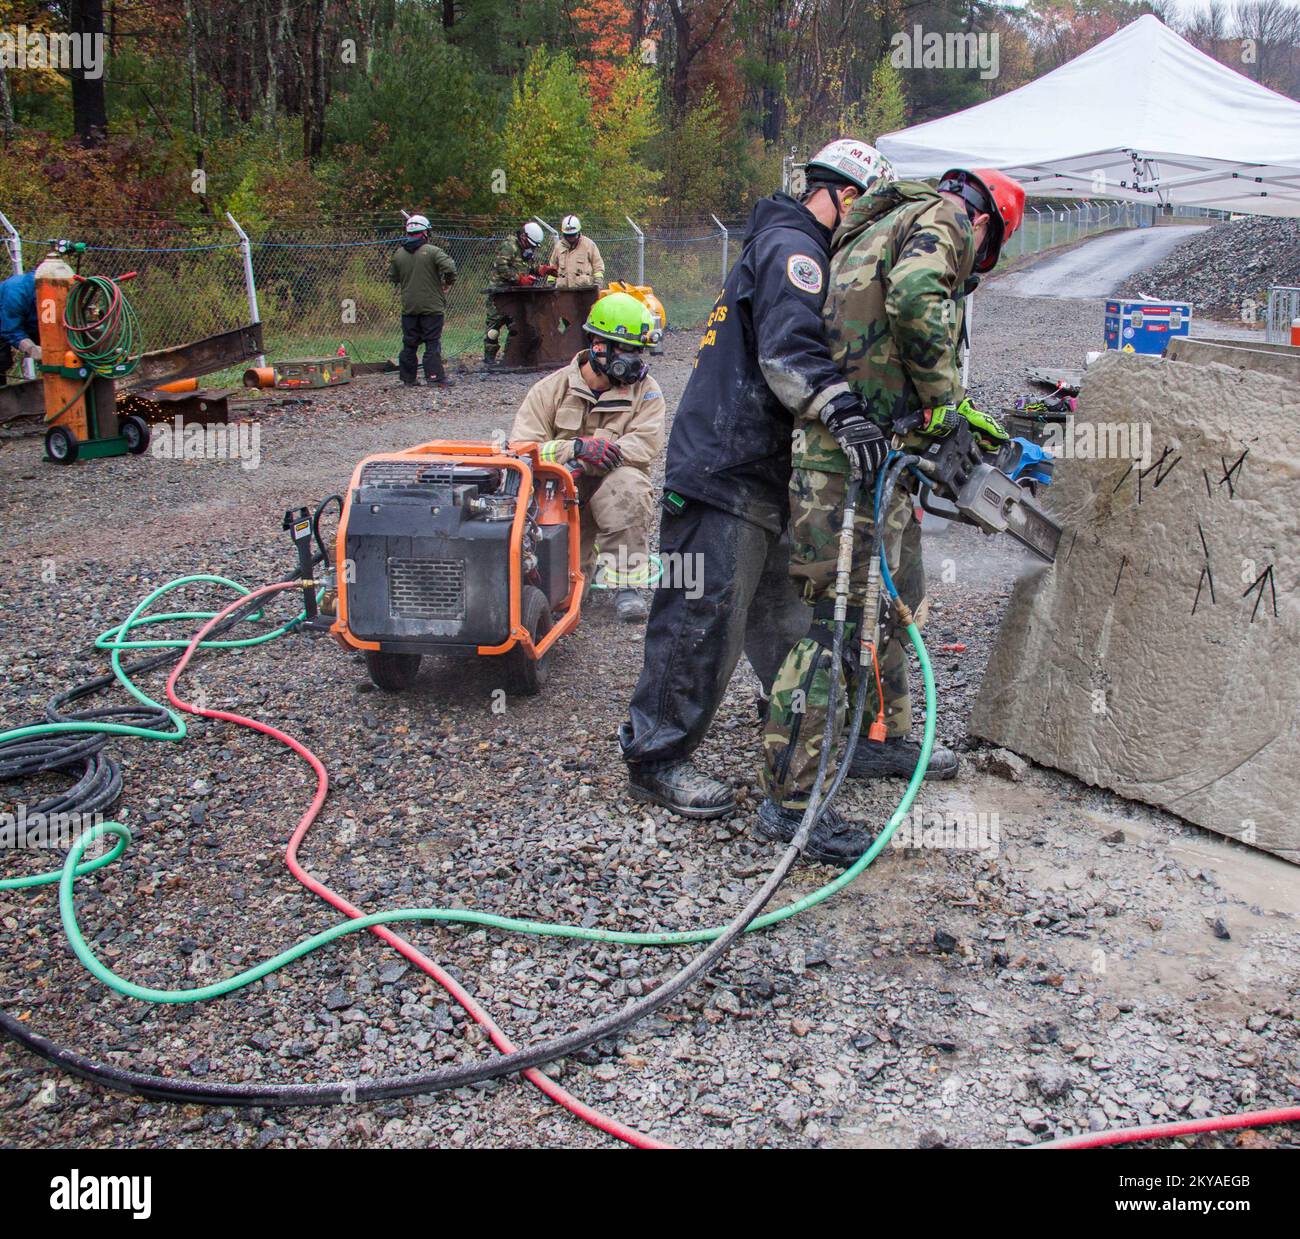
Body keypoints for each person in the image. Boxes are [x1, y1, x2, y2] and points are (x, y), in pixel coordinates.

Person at [618, 139, 897, 853]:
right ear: (842, 195)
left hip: (766, 473)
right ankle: (655, 755)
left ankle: (803, 750)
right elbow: (786, 348)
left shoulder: (793, 246)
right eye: (864, 208)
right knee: (700, 617)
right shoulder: (792, 248)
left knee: (784, 623)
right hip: (722, 467)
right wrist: (842, 406)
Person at [759, 166, 1026, 863]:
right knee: (836, 617)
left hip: (885, 450)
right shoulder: (942, 217)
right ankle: (789, 799)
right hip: (844, 455)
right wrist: (944, 399)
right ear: (986, 224)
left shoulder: (886, 221)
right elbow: (914, 295)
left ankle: (881, 737)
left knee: (898, 598)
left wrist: (944, 417)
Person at [510, 292, 664, 623]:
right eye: (626, 349)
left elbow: (647, 443)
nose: (635, 359)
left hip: (611, 483)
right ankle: (584, 566)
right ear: (597, 344)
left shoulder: (646, 391)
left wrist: (601, 453)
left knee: (630, 486)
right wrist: (575, 449)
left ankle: (626, 582)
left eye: (640, 350)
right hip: (562, 496)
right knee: (560, 594)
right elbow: (522, 446)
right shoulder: (549, 390)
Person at [389, 214, 457, 387]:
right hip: (431, 307)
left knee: (409, 344)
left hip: (409, 307)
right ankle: (434, 377)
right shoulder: (433, 251)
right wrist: (447, 283)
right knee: (432, 343)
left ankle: (408, 379)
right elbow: (450, 267)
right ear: (425, 232)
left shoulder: (398, 254)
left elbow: (393, 278)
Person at [485, 220, 546, 363]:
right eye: (530, 244)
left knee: (516, 325)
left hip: (515, 293)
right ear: (524, 236)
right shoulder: (509, 246)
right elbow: (501, 267)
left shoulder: (526, 249)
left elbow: (527, 266)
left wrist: (540, 269)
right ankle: (489, 359)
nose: (531, 248)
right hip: (499, 292)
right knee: (493, 327)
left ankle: (510, 356)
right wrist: (519, 279)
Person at [0, 269, 40, 385]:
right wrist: (31, 348)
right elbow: (10, 330)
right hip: (5, 321)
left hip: (27, 322)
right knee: (1, 361)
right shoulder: (16, 292)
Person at [546, 215, 605, 289]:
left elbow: (598, 266)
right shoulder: (558, 247)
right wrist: (550, 285)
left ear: (578, 232)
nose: (570, 238)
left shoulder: (589, 245)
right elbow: (552, 267)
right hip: (563, 292)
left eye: (573, 235)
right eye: (567, 235)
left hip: (584, 291)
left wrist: (598, 284)